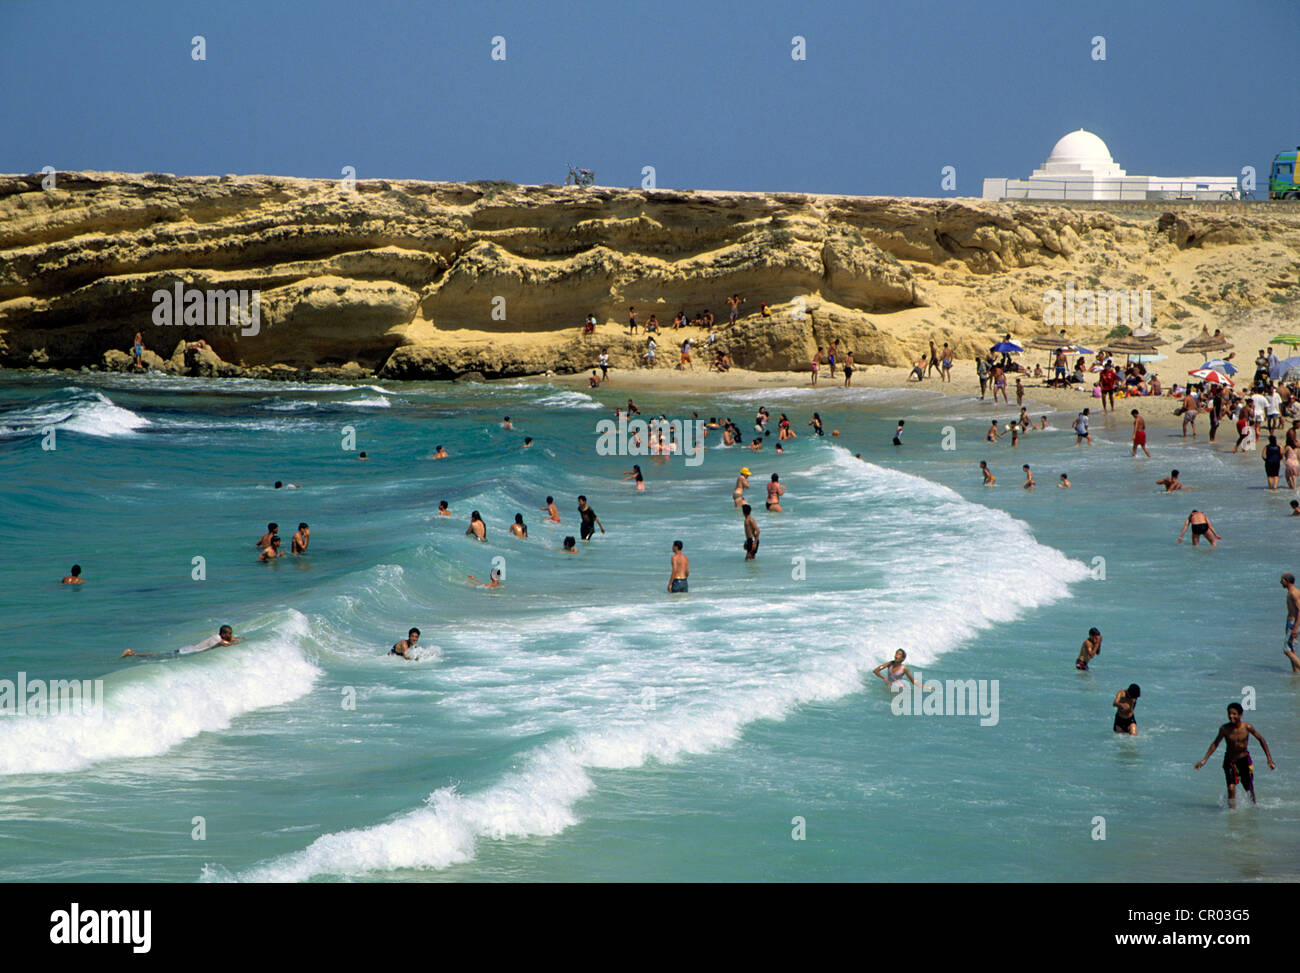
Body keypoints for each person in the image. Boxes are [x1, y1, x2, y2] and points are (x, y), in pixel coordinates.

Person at [1194, 703, 1275, 807]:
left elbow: (1261, 740)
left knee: (1248, 788)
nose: (1231, 716)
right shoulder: (1224, 729)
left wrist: (1269, 759)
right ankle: (1232, 811)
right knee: (1231, 788)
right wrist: (1204, 760)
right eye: (1229, 713)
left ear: (1240, 715)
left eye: (1234, 714)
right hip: (1230, 760)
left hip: (1244, 760)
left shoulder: (1247, 727)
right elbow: (1215, 743)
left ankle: (1254, 807)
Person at [123, 625, 243, 658]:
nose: (231, 636)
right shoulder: (218, 639)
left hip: (188, 649)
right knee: (157, 656)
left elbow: (229, 641)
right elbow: (223, 644)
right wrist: (233, 643)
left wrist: (237, 640)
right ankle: (132, 654)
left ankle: (132, 653)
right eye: (230, 634)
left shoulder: (218, 637)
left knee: (158, 655)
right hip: (185, 652)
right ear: (223, 634)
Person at [1282, 573, 1300, 672]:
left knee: (1286, 650)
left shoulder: (1294, 593)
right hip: (1290, 621)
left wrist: (1295, 628)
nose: (1281, 582)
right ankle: (1296, 674)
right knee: (1292, 649)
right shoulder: (1291, 592)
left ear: (1287, 581)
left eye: (1282, 580)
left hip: (1293, 623)